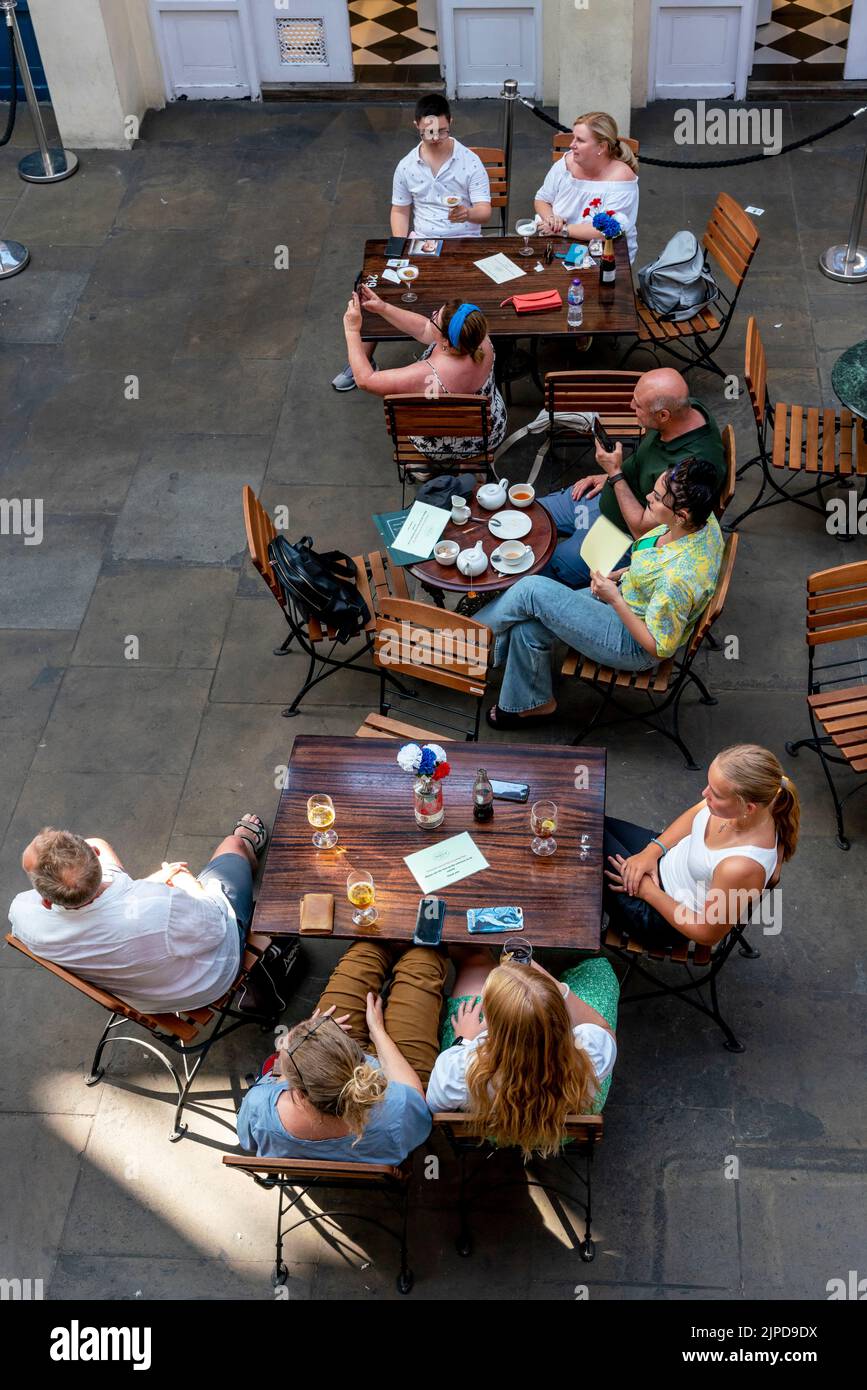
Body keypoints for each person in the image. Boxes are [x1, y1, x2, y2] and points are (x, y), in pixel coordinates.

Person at [480, 457, 723, 728]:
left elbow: (659, 647)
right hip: (629, 597)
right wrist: (620, 576)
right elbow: (654, 566)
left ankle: (459, 640)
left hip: (632, 641)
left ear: (681, 515)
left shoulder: (679, 578)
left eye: (656, 497)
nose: (647, 497)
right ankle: (532, 703)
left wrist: (614, 598)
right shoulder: (702, 518)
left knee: (529, 589)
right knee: (527, 628)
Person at [7, 814, 267, 1014]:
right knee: (233, 845)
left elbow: (121, 908)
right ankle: (247, 848)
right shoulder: (159, 906)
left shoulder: (24, 916)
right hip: (207, 982)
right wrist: (189, 885)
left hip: (140, 998)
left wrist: (147, 888)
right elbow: (215, 928)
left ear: (44, 900)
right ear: (95, 857)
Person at [332, 93, 492, 391]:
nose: (435, 138)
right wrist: (399, 246)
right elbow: (400, 209)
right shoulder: (406, 166)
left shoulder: (470, 162)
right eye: (428, 132)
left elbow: (485, 211)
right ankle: (362, 359)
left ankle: (470, 338)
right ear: (416, 125)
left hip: (464, 244)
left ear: (451, 123)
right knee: (376, 286)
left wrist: (468, 213)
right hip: (423, 244)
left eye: (442, 131)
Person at [238, 941, 446, 1164]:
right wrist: (377, 1030)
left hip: (338, 1079)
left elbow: (248, 1140)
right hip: (390, 1079)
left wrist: (310, 1037)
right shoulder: (400, 1107)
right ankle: (411, 948)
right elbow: (414, 1096)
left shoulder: (260, 1109)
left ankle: (384, 945)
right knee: (424, 956)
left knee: (367, 948)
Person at [539, 368, 724, 590]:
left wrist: (616, 473)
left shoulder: (688, 471)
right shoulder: (686, 409)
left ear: (663, 415)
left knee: (545, 565)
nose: (630, 407)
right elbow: (645, 460)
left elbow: (643, 531)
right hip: (604, 494)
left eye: (638, 405)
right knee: (529, 514)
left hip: (621, 535)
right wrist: (608, 475)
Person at [425, 951, 619, 1159]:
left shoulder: (462, 1069)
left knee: (473, 961)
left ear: (494, 1027)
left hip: (497, 1132)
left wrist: (463, 1039)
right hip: (560, 1132)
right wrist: (553, 988)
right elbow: (602, 1027)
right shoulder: (588, 1053)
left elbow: (435, 1105)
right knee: (599, 969)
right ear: (562, 1018)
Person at [604, 745, 799, 950]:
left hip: (659, 914)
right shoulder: (759, 800)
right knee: (587, 821)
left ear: (748, 808)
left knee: (580, 842)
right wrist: (651, 851)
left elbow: (706, 934)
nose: (705, 793)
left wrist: (647, 891)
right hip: (665, 859)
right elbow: (696, 815)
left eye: (715, 794)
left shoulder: (740, 866)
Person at [341, 292, 507, 469]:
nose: (433, 314)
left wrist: (351, 331)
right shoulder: (479, 339)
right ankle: (472, 470)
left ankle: (427, 469)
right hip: (489, 432)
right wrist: (384, 308)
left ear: (445, 342)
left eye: (436, 317)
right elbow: (423, 328)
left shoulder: (427, 375)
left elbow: (366, 380)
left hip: (442, 447)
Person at [534, 111, 640, 262]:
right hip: (558, 244)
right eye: (573, 138)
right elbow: (542, 199)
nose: (572, 145)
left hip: (604, 254)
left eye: (580, 140)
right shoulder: (566, 164)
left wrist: (563, 230)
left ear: (601, 147)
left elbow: (609, 230)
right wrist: (551, 219)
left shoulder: (621, 177)